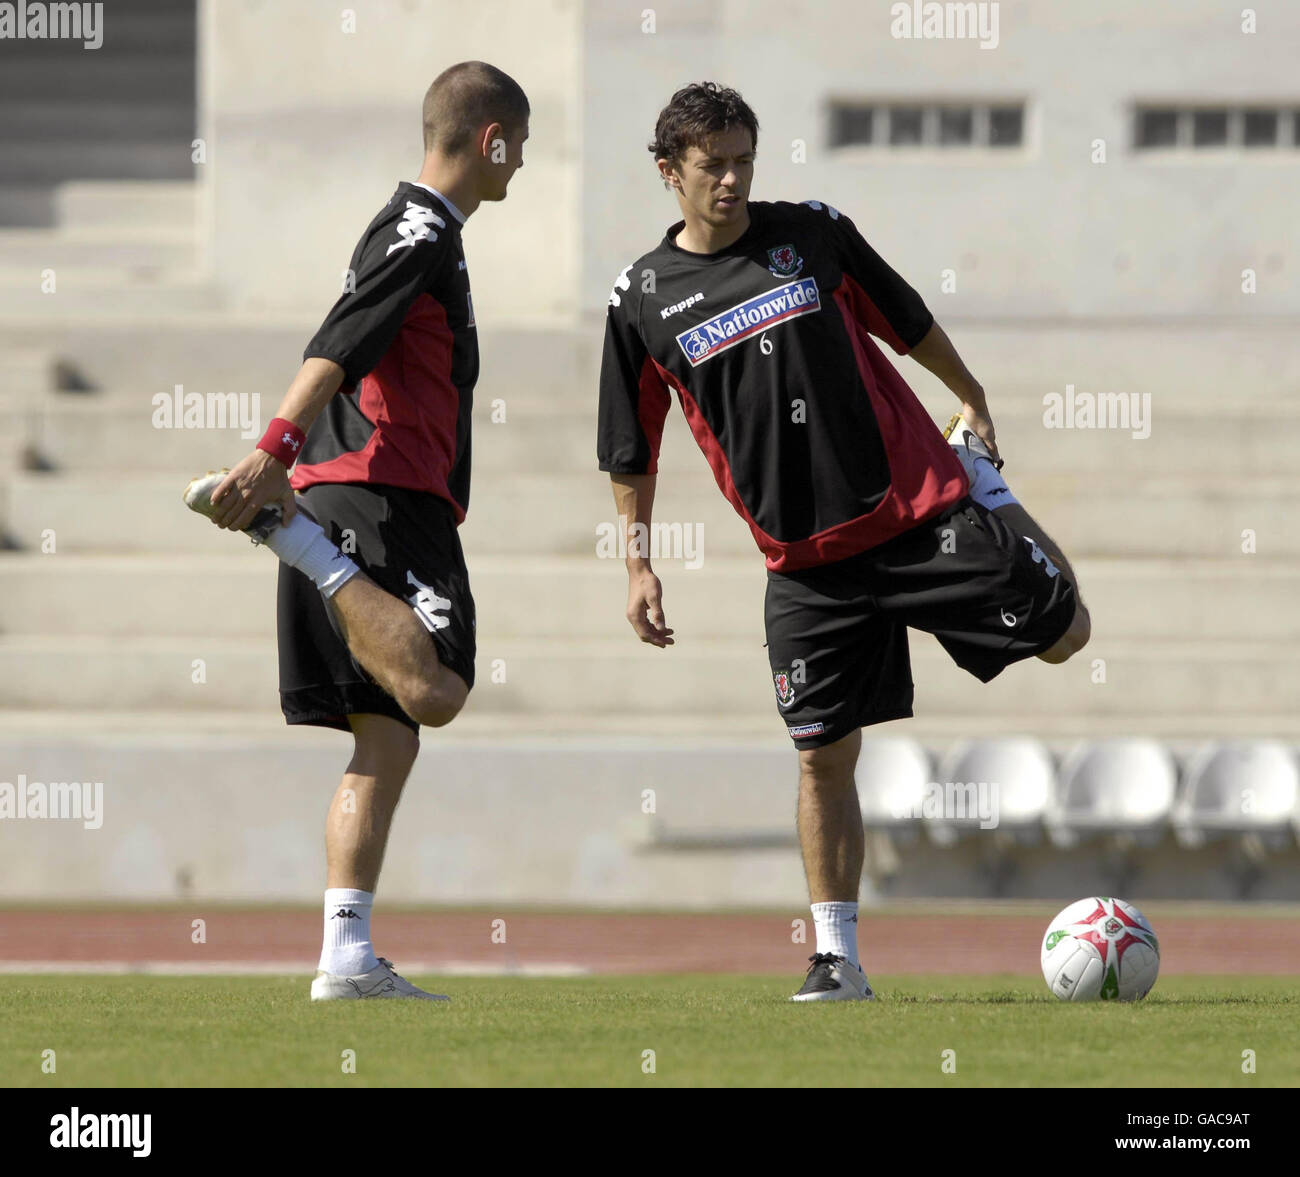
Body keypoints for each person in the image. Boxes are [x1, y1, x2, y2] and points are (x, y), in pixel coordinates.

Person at [597, 82, 1090, 1002]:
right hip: (804, 567)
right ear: (669, 173)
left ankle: (992, 492)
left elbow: (904, 317)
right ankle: (837, 958)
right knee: (823, 753)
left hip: (917, 518)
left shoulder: (812, 235)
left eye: (746, 158)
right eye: (714, 166)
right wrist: (636, 560)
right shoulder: (641, 299)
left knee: (1071, 637)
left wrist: (973, 396)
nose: (735, 180)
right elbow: (631, 445)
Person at [183, 61, 529, 1001]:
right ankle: (291, 539)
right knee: (437, 689)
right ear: (492, 138)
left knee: (386, 739)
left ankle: (345, 957)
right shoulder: (421, 226)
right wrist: (271, 452)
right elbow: (339, 336)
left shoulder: (414, 230)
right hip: (378, 499)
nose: (523, 165)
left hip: (357, 497)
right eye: (520, 145)